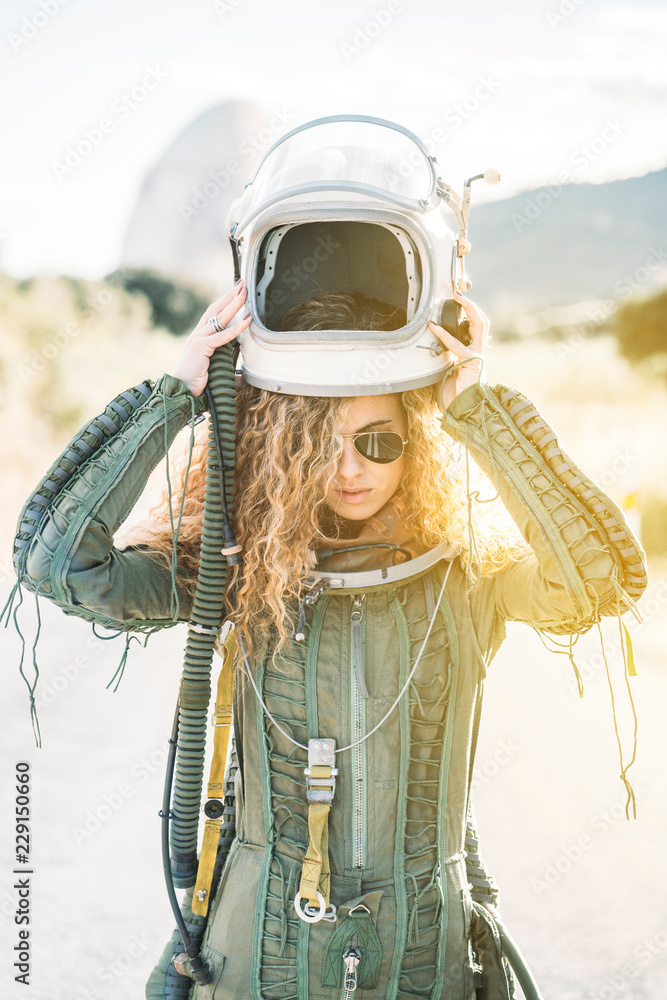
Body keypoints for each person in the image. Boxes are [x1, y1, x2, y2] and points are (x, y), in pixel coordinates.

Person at [13, 279, 647, 1000]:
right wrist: (180, 391)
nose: (350, 469)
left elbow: (599, 580)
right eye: (319, 443)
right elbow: (62, 565)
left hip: (424, 960)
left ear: (416, 444)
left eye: (377, 443)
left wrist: (478, 408)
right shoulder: (235, 568)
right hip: (255, 958)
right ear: (283, 446)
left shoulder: (463, 577)